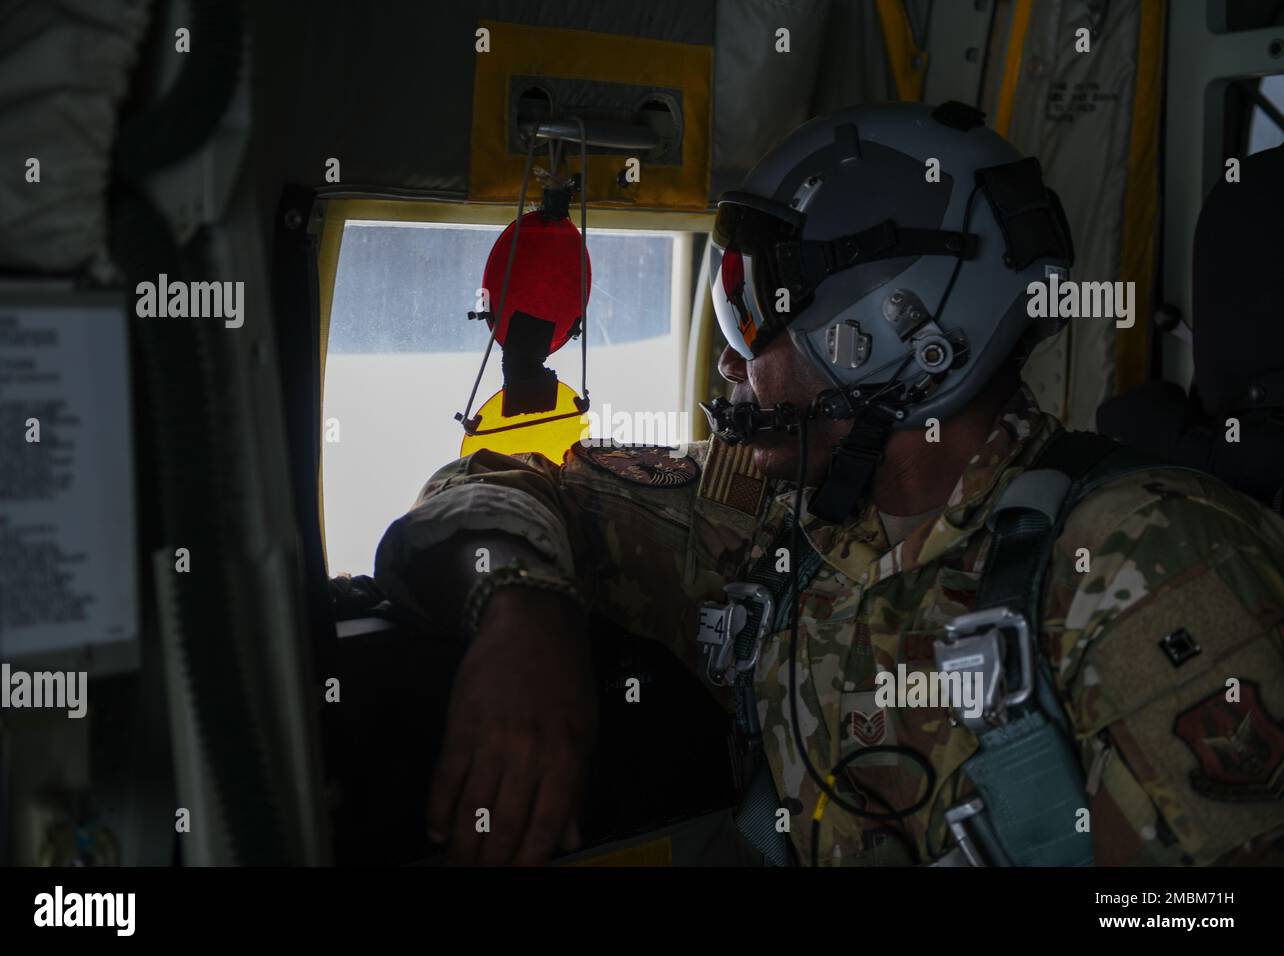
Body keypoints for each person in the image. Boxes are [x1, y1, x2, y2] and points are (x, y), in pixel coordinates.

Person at [375, 102, 1284, 866]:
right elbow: (487, 482)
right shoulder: (778, 531)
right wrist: (523, 613)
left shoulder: (1150, 561)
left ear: (898, 323)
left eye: (757, 310)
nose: (733, 363)